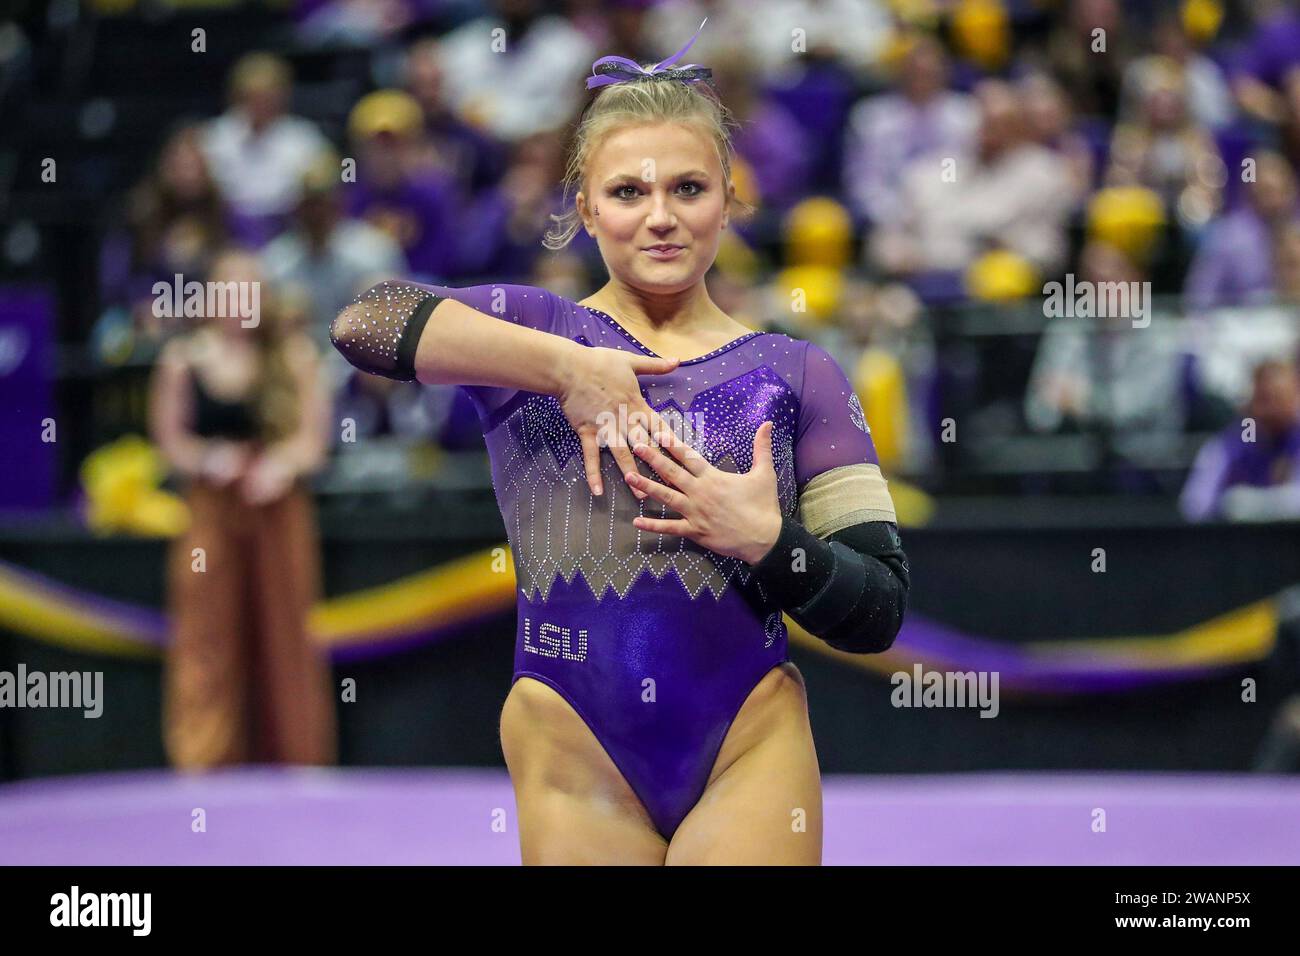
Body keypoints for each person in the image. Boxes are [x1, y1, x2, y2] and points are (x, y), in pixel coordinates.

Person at [330, 22, 909, 865]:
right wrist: (567, 371)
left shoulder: (801, 373)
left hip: (748, 741)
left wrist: (768, 542)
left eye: (688, 188)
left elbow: (879, 611)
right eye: (629, 192)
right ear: (585, 207)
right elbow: (365, 322)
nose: (661, 218)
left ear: (729, 198)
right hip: (574, 739)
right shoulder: (534, 332)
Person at [149, 248, 336, 769]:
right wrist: (210, 458)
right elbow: (170, 440)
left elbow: (312, 440)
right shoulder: (184, 360)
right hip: (212, 508)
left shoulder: (292, 355)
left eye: (248, 290)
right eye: (227, 291)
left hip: (276, 507)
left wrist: (280, 465)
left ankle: (299, 757)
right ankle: (204, 757)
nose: (238, 303)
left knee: (286, 631)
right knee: (206, 631)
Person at [1180, 359, 1300, 522]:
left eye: (1279, 398)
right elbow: (1195, 504)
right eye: (1264, 399)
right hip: (1241, 541)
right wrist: (1227, 504)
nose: (1271, 409)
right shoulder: (1233, 443)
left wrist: (1256, 505)